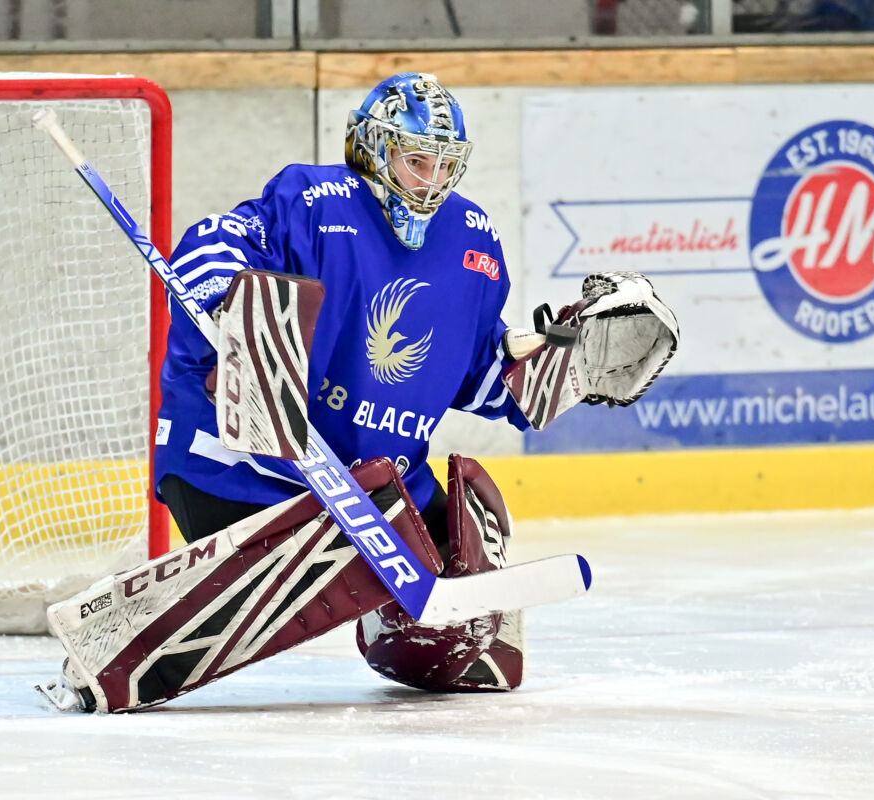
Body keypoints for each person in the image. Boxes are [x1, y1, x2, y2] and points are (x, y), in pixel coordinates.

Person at [38, 72, 678, 713]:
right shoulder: (316, 202)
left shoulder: (472, 241)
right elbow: (215, 240)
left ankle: (408, 639)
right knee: (338, 538)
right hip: (238, 465)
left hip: (373, 484)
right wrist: (224, 293)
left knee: (468, 529)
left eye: (444, 165)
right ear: (374, 149)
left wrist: (559, 366)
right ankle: (131, 636)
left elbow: (474, 371)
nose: (429, 181)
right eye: (415, 160)